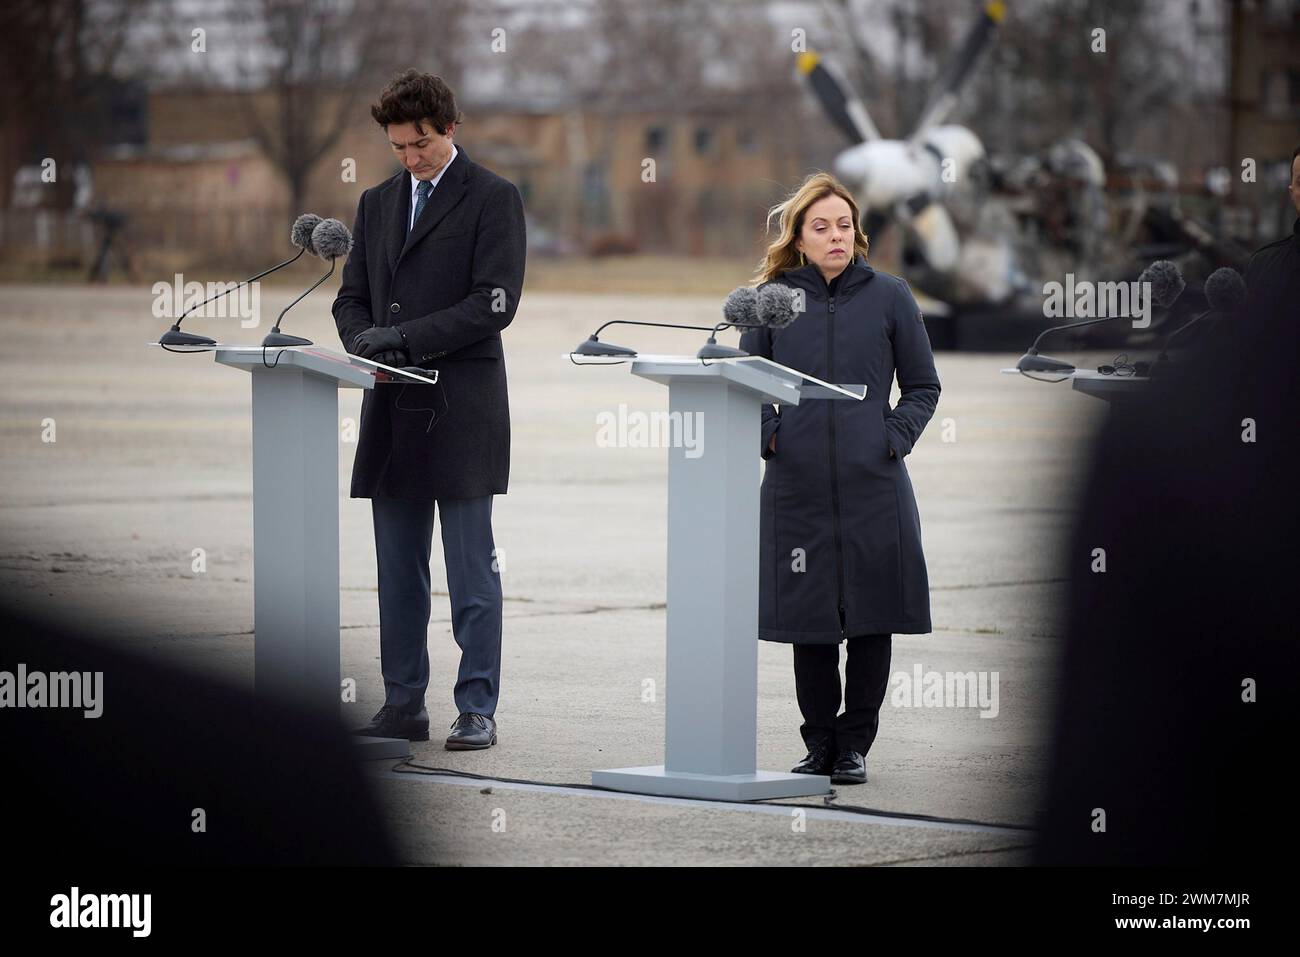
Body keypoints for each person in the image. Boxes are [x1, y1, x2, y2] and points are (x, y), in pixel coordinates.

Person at [331, 70, 526, 750]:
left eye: (420, 144)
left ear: (451, 127)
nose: (411, 158)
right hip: (392, 409)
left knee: (472, 570)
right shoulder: (377, 203)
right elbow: (350, 295)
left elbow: (495, 302)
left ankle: (477, 706)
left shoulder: (494, 198)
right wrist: (360, 338)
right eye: (398, 148)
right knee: (398, 568)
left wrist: (407, 337)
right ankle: (403, 701)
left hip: (462, 407)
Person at [739, 172, 940, 785]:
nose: (835, 236)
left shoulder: (891, 296)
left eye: (844, 226)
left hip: (873, 486)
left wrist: (891, 438)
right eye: (820, 227)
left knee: (872, 616)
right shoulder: (770, 298)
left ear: (857, 234)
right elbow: (744, 381)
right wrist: (772, 434)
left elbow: (924, 386)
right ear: (799, 238)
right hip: (796, 488)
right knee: (812, 622)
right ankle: (818, 742)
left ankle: (854, 744)